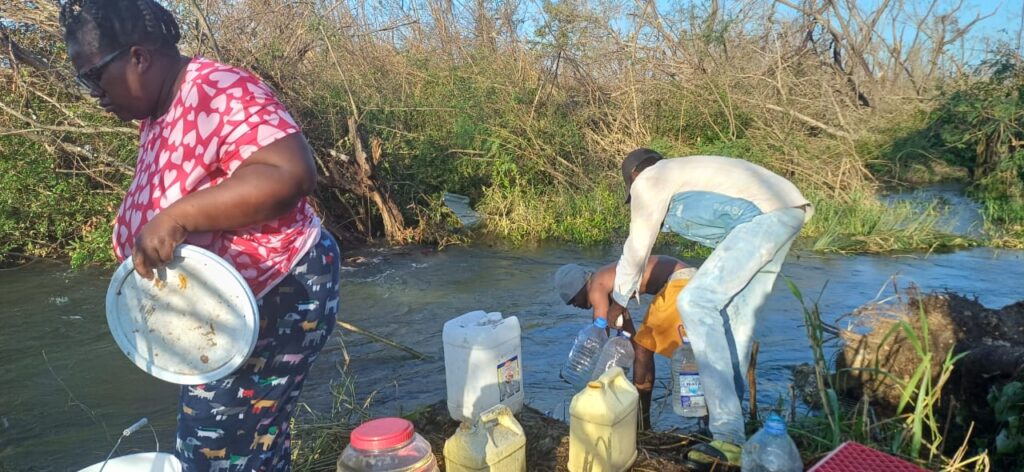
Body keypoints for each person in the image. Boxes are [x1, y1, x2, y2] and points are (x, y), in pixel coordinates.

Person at [60, 1, 339, 470]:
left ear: (138, 58)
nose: (94, 94)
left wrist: (177, 217)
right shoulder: (158, 112)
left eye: (92, 77)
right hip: (221, 312)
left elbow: (289, 172)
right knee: (244, 446)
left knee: (219, 453)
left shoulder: (216, 87)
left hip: (277, 292)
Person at [605, 148, 812, 467]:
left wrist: (618, 301)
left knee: (696, 300)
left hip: (765, 215)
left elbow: (636, 248)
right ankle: (730, 436)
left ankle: (727, 435)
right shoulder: (682, 174)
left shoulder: (649, 180)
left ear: (634, 177)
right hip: (785, 212)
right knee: (735, 322)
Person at [554, 256, 696, 430]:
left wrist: (576, 371)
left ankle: (642, 423)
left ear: (579, 290)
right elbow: (631, 337)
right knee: (656, 348)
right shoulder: (613, 290)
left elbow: (599, 333)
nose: (575, 306)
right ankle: (698, 418)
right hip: (687, 279)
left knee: (646, 349)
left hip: (678, 282)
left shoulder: (596, 287)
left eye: (573, 301)